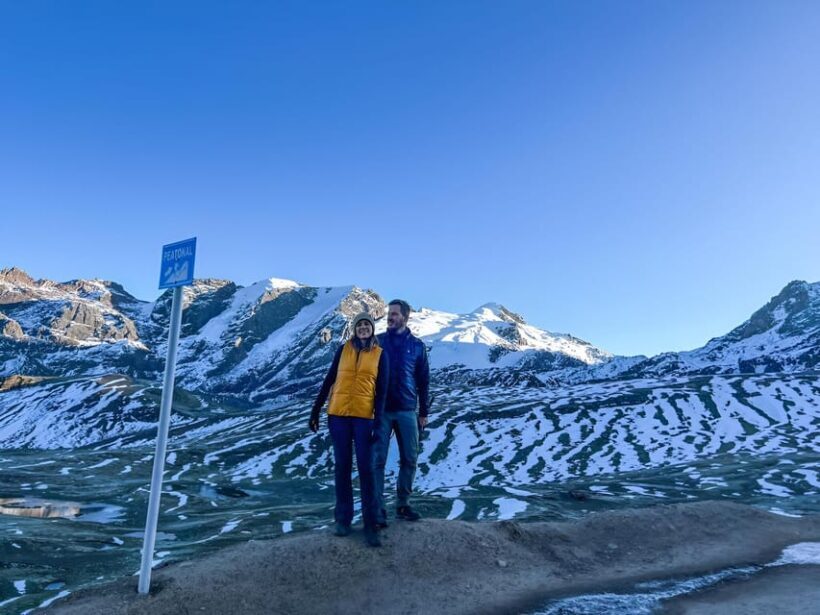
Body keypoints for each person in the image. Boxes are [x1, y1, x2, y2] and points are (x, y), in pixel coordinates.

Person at [309, 312, 389, 547]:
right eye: (359, 325)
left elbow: (381, 392)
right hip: (338, 416)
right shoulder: (343, 350)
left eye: (367, 325)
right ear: (354, 329)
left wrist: (378, 422)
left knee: (366, 470)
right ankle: (343, 520)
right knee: (342, 467)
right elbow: (329, 379)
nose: (363, 328)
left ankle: (371, 524)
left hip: (364, 418)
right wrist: (315, 410)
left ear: (372, 329)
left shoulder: (379, 355)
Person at [372, 299, 430, 525]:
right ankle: (377, 508)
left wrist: (423, 412)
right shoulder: (377, 342)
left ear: (405, 317)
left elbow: (424, 380)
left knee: (410, 459)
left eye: (394, 314)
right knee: (378, 460)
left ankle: (402, 505)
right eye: (389, 313)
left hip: (407, 411)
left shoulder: (417, 346)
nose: (390, 317)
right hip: (381, 411)